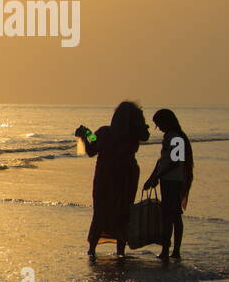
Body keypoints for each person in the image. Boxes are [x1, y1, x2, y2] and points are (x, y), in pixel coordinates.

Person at [75, 101, 150, 259]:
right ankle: (120, 251)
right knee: (123, 211)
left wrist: (85, 134)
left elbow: (91, 149)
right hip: (127, 175)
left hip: (105, 176)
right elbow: (146, 135)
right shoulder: (133, 135)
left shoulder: (104, 132)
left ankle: (92, 249)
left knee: (100, 211)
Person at [143, 108, 193, 260]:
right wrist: (154, 176)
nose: (158, 127)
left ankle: (169, 250)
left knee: (171, 216)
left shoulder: (175, 137)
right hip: (171, 179)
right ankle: (172, 250)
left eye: (159, 123)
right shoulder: (174, 136)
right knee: (174, 215)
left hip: (173, 180)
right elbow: (162, 160)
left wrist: (157, 176)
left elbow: (174, 161)